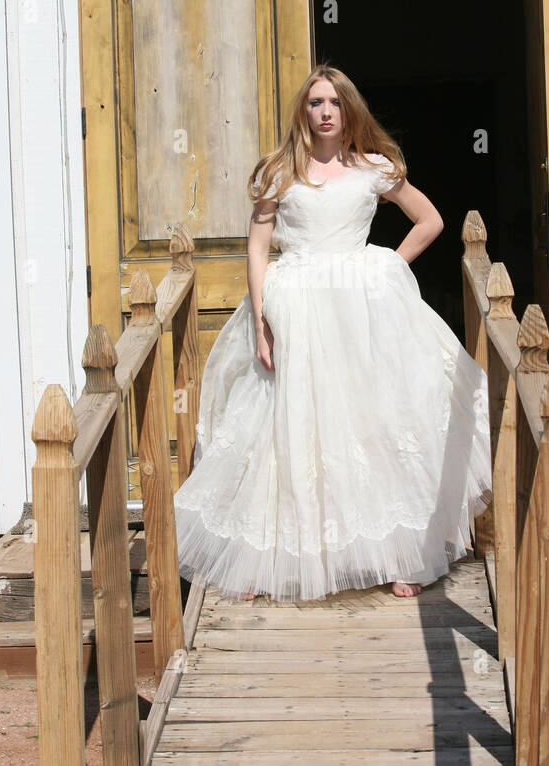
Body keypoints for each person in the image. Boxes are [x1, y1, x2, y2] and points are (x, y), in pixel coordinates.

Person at [173, 63, 492, 602]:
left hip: (360, 309)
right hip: (295, 305)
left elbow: (430, 221)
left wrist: (387, 265)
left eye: (334, 103)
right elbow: (257, 247)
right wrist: (260, 319)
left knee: (373, 420)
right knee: (284, 424)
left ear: (349, 111)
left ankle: (401, 554)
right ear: (304, 111)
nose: (325, 112)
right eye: (316, 103)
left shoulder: (375, 167)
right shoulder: (280, 171)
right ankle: (261, 559)